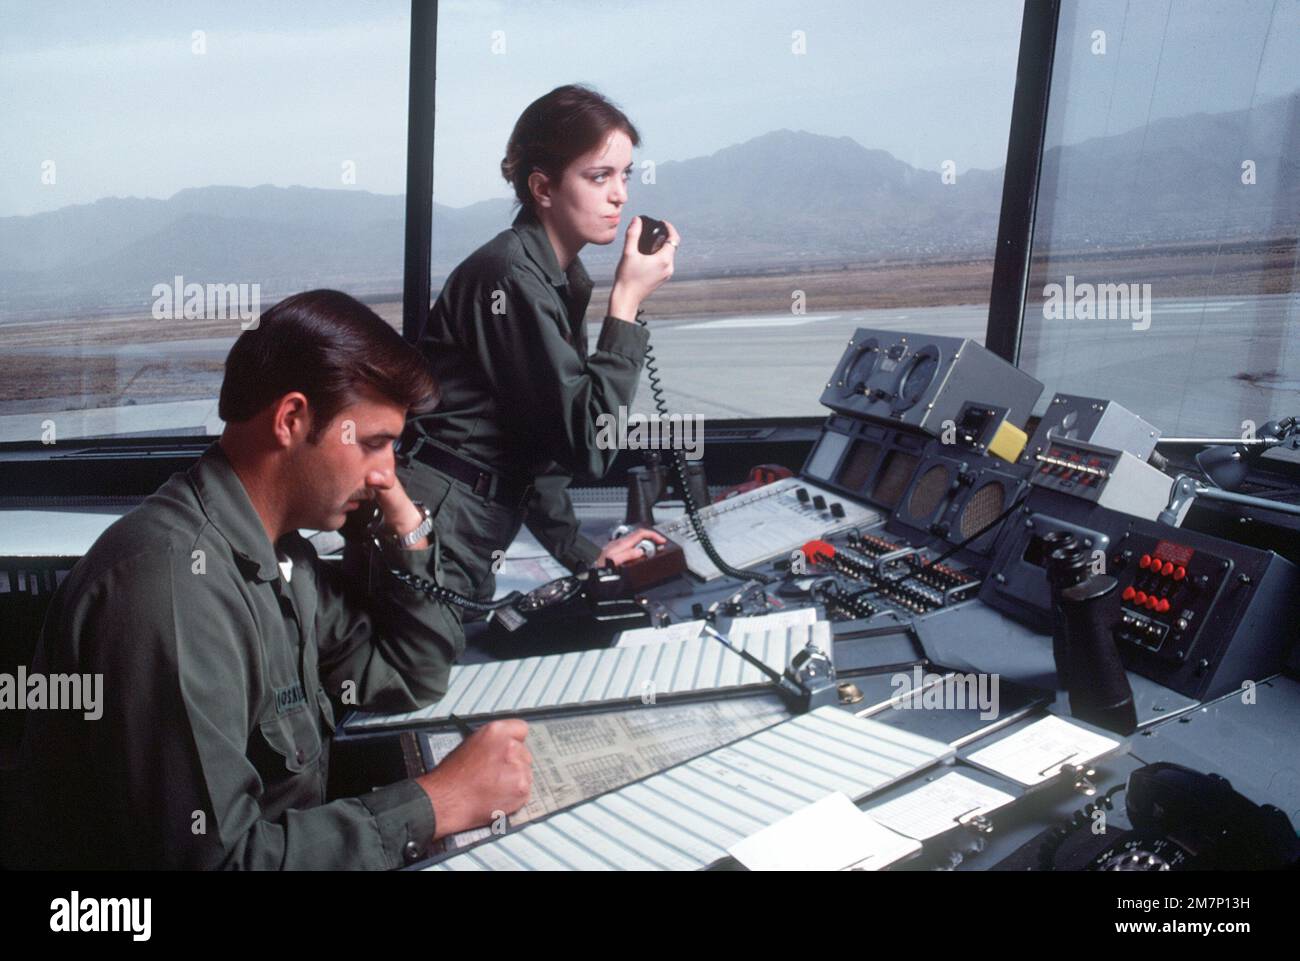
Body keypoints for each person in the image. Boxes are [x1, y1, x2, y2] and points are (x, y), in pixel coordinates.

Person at [4, 291, 532, 870]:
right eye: (375, 444)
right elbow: (221, 863)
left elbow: (410, 676)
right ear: (290, 420)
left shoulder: (282, 557)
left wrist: (405, 531)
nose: (387, 474)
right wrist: (439, 802)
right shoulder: (172, 589)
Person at [403, 83, 678, 606]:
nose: (620, 194)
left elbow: (537, 442)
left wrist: (582, 554)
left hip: (471, 523)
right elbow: (588, 446)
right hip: (443, 523)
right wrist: (625, 302)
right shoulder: (512, 278)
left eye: (624, 175)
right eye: (599, 177)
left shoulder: (552, 275)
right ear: (543, 189)